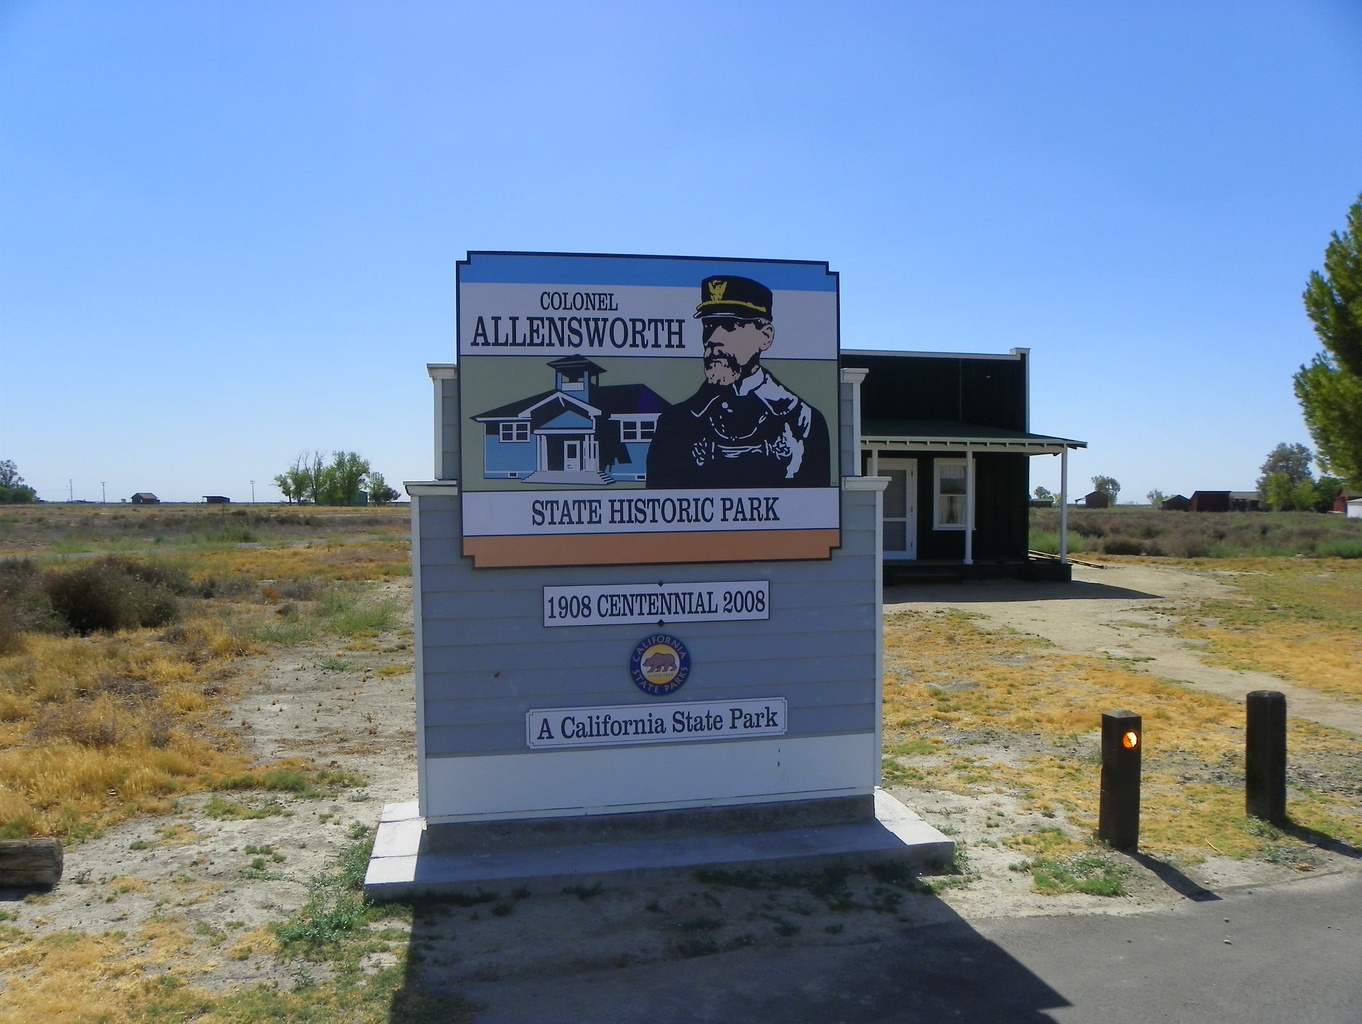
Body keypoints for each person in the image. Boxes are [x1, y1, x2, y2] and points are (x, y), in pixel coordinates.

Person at [646, 275, 830, 488]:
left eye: (730, 325)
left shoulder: (802, 420)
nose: (713, 338)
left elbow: (817, 503)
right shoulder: (675, 423)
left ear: (765, 336)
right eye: (709, 325)